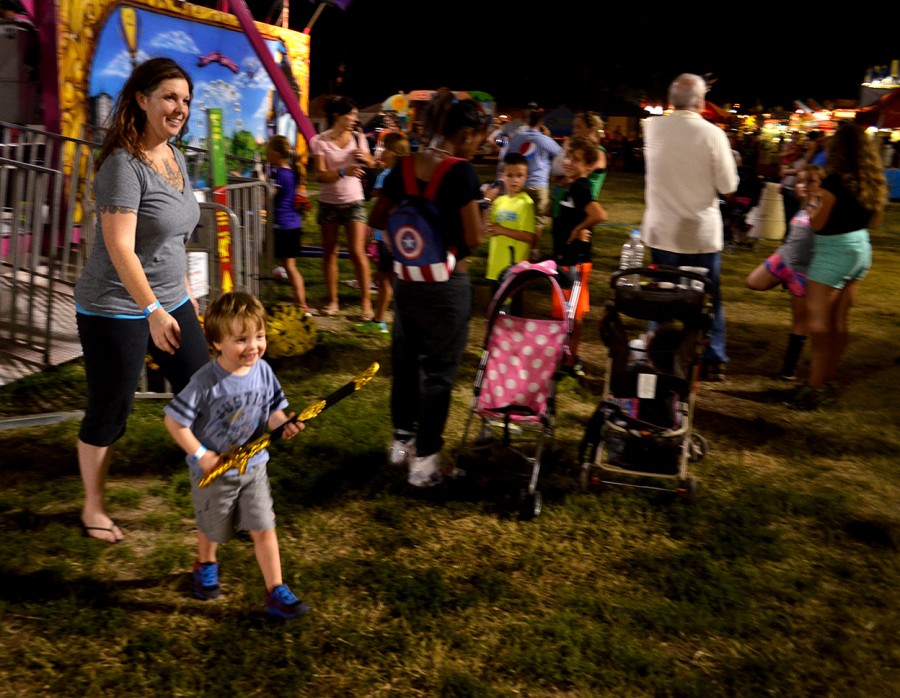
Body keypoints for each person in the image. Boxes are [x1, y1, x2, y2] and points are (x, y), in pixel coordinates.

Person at [73, 57, 211, 543]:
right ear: (142, 100)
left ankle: (211, 492)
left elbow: (174, 239)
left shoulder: (173, 156)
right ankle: (93, 507)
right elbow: (119, 247)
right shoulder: (122, 165)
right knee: (111, 409)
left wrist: (185, 298)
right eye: (170, 97)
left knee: (202, 393)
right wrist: (151, 310)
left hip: (170, 300)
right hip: (115, 306)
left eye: (186, 100)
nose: (180, 108)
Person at [163, 291, 311, 619]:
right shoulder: (205, 382)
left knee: (264, 527)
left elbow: (274, 411)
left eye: (259, 336)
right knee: (213, 527)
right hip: (214, 471)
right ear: (216, 342)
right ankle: (205, 564)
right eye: (241, 339)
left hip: (254, 466)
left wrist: (283, 425)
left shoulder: (263, 371)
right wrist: (203, 456)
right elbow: (173, 421)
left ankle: (276, 590)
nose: (253, 346)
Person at [368, 93, 491, 487]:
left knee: (405, 362)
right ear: (466, 133)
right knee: (439, 371)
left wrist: (411, 243)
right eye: (478, 138)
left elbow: (378, 217)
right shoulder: (462, 173)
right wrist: (483, 216)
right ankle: (425, 462)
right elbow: (472, 236)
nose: (479, 146)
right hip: (446, 285)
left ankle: (400, 443)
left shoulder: (404, 165)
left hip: (408, 282)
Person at [641, 73, 739, 382]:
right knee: (709, 297)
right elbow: (728, 186)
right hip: (700, 233)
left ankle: (659, 352)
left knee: (662, 297)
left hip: (662, 231)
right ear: (701, 102)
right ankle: (713, 356)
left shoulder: (652, 128)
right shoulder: (712, 135)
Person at [786, 122, 887, 410]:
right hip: (860, 249)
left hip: (832, 251)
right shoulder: (870, 180)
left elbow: (817, 225)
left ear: (838, 149)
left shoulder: (832, 182)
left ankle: (813, 388)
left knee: (819, 325)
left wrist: (811, 202)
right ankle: (826, 379)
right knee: (839, 322)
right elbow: (874, 221)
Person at [745, 164, 824, 381]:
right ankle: (785, 282)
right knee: (753, 282)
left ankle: (788, 370)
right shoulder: (802, 204)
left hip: (804, 271)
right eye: (800, 181)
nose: (803, 186)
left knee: (799, 321)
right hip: (785, 257)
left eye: (810, 181)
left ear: (821, 184)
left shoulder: (823, 207)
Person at [310, 95, 377, 318]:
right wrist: (342, 172)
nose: (355, 119)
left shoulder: (358, 137)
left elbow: (371, 163)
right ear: (338, 115)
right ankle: (332, 301)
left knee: (358, 252)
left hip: (354, 200)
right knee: (329, 253)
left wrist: (366, 158)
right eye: (352, 114)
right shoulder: (320, 141)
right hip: (329, 202)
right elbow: (320, 175)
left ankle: (366, 303)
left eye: (356, 115)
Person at [550, 136, 608, 377]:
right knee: (566, 311)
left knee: (573, 313)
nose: (569, 162)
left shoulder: (582, 187)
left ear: (588, 167)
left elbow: (599, 214)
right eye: (568, 158)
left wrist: (577, 229)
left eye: (576, 160)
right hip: (565, 259)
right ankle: (566, 356)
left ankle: (571, 361)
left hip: (576, 261)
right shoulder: (571, 186)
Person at [356, 131, 411, 335]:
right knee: (392, 279)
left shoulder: (387, 177)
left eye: (383, 148)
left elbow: (378, 207)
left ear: (393, 151)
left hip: (385, 236)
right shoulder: (408, 174)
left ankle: (379, 320)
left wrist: (371, 231)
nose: (379, 151)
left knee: (384, 279)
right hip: (402, 236)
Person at [501, 104, 562, 254]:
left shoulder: (516, 139)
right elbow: (561, 157)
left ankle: (518, 248)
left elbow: (505, 157)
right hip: (539, 184)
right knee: (538, 221)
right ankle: (534, 249)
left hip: (519, 183)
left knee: (519, 216)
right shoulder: (545, 140)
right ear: (541, 123)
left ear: (526, 121)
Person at [265, 134, 309, 313]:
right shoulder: (290, 171)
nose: (266, 154)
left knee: (281, 263)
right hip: (293, 224)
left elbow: (269, 197)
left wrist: (261, 183)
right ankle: (302, 304)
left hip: (281, 225)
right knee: (290, 264)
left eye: (268, 151)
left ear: (276, 153)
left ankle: (300, 303)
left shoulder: (279, 174)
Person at [484, 152, 536, 284]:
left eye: (519, 176)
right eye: (510, 176)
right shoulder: (499, 201)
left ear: (526, 177)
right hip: (495, 267)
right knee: (495, 303)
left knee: (510, 304)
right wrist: (487, 202)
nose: (515, 180)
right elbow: (488, 228)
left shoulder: (526, 203)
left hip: (514, 269)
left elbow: (530, 237)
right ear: (502, 177)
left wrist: (501, 230)